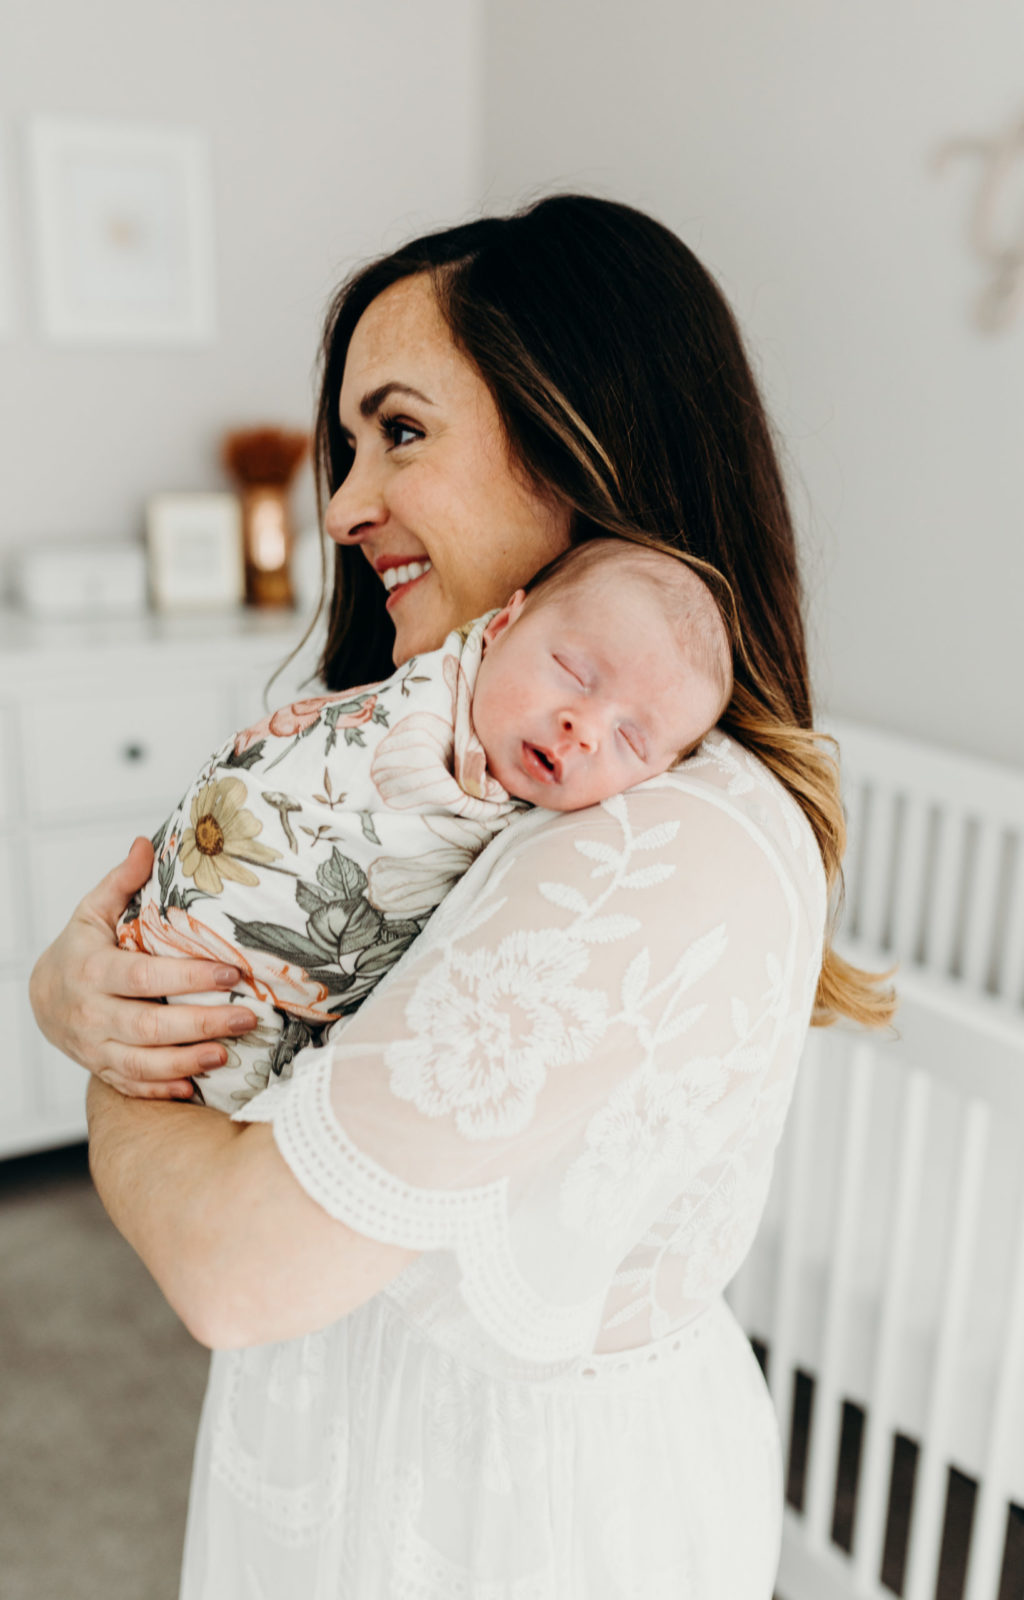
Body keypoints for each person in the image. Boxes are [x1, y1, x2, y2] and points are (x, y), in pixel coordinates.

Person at [30, 193, 894, 1599]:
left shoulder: (651, 841)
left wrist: (112, 1067)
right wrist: (87, 978)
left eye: (402, 431)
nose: (344, 503)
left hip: (513, 1519)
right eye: (347, 444)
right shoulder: (462, 768)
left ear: (579, 436)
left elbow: (236, 1269)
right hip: (352, 1420)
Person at [117, 537, 730, 1115]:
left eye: (630, 739)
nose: (586, 727)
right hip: (212, 922)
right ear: (501, 625)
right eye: (572, 671)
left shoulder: (613, 837)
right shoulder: (425, 712)